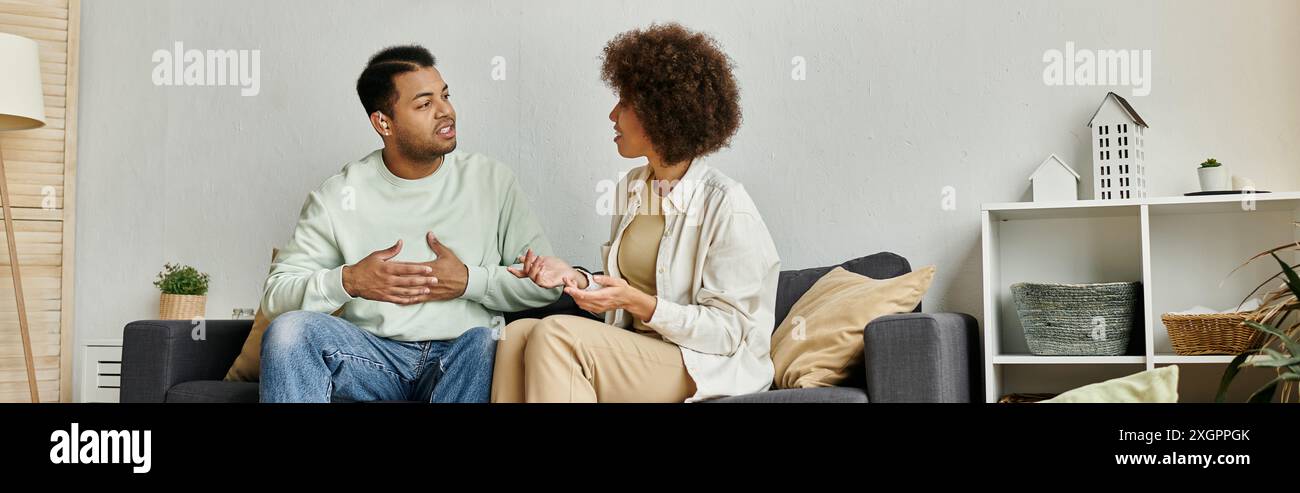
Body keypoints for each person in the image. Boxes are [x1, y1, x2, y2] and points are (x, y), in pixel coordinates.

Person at [491, 23, 781, 403]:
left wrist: (639, 304)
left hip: (704, 364)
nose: (613, 114)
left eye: (624, 103)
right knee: (516, 336)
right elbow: (619, 293)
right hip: (640, 351)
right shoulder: (631, 187)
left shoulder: (726, 204)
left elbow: (729, 334)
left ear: (662, 114)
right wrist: (576, 278)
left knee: (556, 335)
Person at [259, 45, 560, 403]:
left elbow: (547, 287)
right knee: (289, 332)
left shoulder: (491, 181)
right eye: (424, 104)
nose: (445, 111)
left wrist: (467, 280)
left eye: (445, 96)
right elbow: (275, 297)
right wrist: (350, 280)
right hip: (371, 358)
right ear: (383, 122)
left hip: (462, 356)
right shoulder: (338, 195)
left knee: (486, 341)